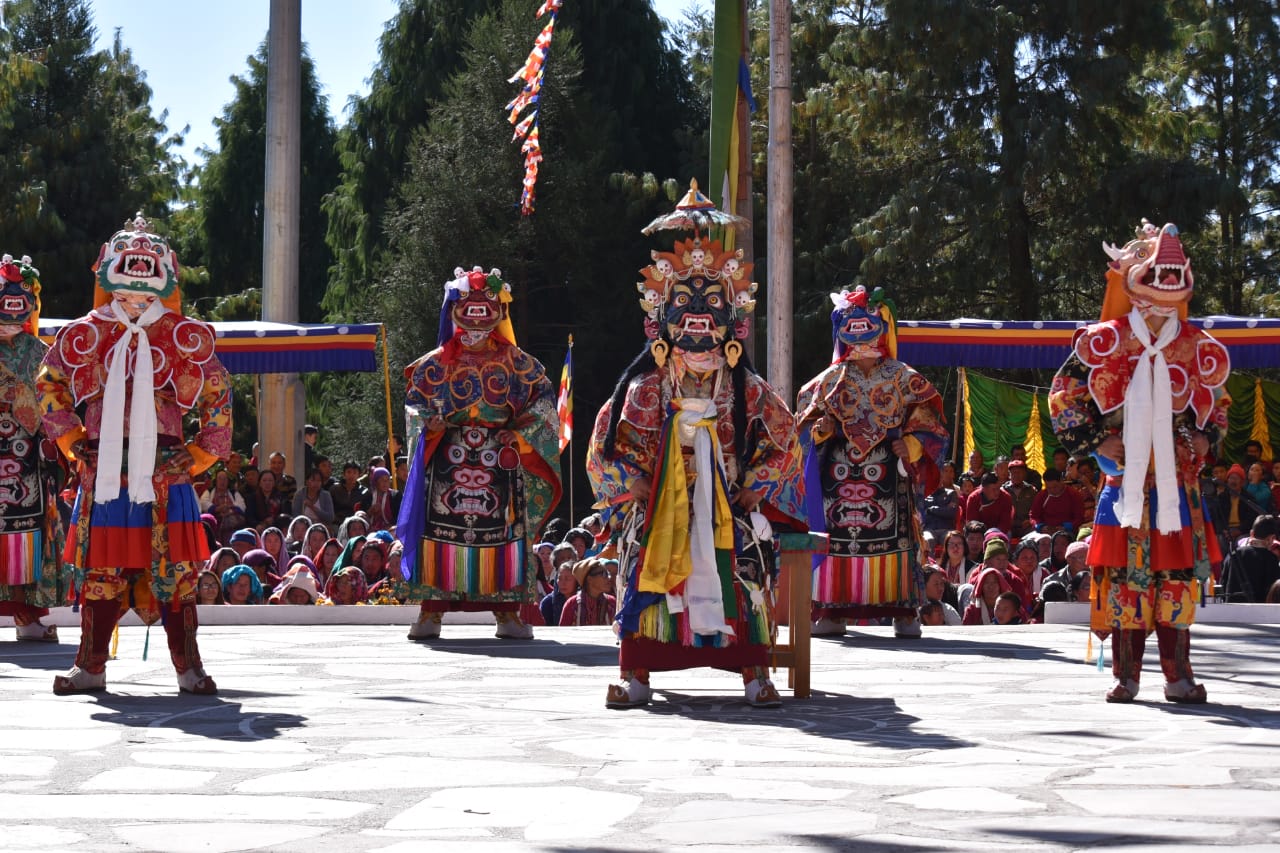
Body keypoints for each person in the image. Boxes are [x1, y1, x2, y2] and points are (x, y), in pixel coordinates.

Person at [588, 188, 806, 707]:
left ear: (734, 319)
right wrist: (635, 484)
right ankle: (639, 672)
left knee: (747, 566)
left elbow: (788, 440)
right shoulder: (643, 389)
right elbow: (603, 449)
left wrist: (755, 487)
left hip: (726, 502)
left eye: (712, 304)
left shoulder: (745, 390)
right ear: (661, 318)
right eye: (684, 304)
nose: (698, 318)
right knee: (642, 558)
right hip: (661, 505)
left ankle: (754, 672)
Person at [39, 216, 229, 695]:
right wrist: (71, 438)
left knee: (177, 576)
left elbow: (218, 394)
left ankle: (188, 668)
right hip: (104, 470)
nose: (135, 302)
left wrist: (201, 452)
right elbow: (49, 385)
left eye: (145, 294)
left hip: (167, 472)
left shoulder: (183, 335)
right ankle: (92, 666)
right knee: (100, 575)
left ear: (163, 283)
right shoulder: (89, 332)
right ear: (108, 281)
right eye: (125, 293)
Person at [1050, 220, 1229, 704]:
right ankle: (1127, 675)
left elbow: (1218, 403)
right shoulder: (1106, 339)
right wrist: (1094, 442)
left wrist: (1205, 437)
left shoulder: (1194, 344)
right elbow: (1064, 395)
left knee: (1175, 580)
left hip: (1178, 485)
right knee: (1127, 583)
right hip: (1126, 481)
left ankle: (1178, 675)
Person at [397, 265, 562, 640]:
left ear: (499, 314)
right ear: (454, 311)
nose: (476, 319)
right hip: (448, 461)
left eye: (486, 310)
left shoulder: (518, 364)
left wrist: (518, 434)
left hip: (498, 461)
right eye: (468, 310)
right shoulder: (434, 364)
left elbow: (543, 403)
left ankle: (506, 613)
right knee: (438, 535)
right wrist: (428, 423)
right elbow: (414, 403)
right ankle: (431, 611)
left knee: (505, 535)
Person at [797, 284, 948, 638]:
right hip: (838, 474)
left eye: (867, 326)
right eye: (853, 327)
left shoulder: (902, 376)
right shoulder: (830, 380)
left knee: (897, 539)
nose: (861, 337)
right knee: (837, 541)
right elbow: (800, 423)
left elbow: (932, 421)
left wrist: (911, 445)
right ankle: (832, 610)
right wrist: (821, 429)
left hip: (887, 472)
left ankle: (903, 610)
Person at [0, 254, 70, 642]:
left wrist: (52, 441)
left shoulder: (39, 351)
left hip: (27, 455)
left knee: (28, 537)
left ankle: (27, 616)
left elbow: (54, 400)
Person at [1220, 515, 1280, 603]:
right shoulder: (1272, 559)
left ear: (1251, 533)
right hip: (1262, 613)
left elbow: (1223, 583)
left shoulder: (1234, 554)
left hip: (1232, 612)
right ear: (1273, 538)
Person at [559, 557, 617, 626]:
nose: (609, 578)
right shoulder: (572, 605)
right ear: (589, 579)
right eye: (604, 574)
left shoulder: (612, 603)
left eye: (607, 574)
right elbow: (563, 632)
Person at [1029, 469, 1085, 534]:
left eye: (1055, 487)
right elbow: (1034, 516)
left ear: (1062, 481)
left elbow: (1079, 517)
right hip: (1045, 532)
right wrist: (1040, 526)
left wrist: (1068, 526)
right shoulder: (1042, 495)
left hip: (1067, 532)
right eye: (1049, 488)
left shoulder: (1074, 495)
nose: (1052, 490)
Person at [199, 469, 246, 545]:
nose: (222, 481)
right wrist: (217, 509)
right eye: (220, 478)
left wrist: (230, 508)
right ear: (216, 481)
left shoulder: (233, 493)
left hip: (232, 520)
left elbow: (242, 505)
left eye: (224, 479)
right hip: (216, 519)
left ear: (228, 481)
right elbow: (203, 502)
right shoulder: (209, 491)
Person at [923, 461, 962, 544]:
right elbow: (922, 514)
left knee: (951, 541)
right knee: (927, 540)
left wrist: (931, 509)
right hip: (929, 530)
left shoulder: (951, 493)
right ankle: (929, 557)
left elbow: (951, 512)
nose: (935, 481)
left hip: (946, 530)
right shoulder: (924, 496)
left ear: (941, 478)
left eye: (938, 478)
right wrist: (943, 509)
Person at [1003, 460, 1038, 538]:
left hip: (1026, 526)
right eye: (1014, 473)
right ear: (1009, 474)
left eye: (1019, 472)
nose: (1016, 475)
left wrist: (1030, 521)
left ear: (1024, 474)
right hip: (1008, 526)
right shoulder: (1002, 490)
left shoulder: (1032, 490)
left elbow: (1036, 510)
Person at [540, 561, 578, 627]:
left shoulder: (582, 602)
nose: (563, 583)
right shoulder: (548, 602)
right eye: (559, 578)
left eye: (567, 579)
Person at [364, 466, 398, 532]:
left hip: (392, 528)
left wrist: (390, 526)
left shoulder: (395, 495)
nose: (385, 482)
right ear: (375, 482)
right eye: (382, 480)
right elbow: (362, 515)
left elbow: (399, 516)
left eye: (387, 480)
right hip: (370, 529)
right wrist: (370, 511)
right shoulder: (368, 496)